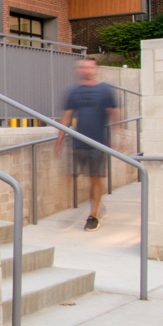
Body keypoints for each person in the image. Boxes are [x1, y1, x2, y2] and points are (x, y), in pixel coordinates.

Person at [59, 57, 119, 231]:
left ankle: (93, 215)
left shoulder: (105, 90)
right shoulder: (73, 92)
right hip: (78, 142)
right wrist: (59, 139)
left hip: (98, 142)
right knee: (70, 177)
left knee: (95, 180)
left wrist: (117, 136)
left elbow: (114, 113)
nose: (85, 70)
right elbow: (67, 117)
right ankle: (98, 205)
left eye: (88, 67)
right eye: (82, 67)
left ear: (95, 69)